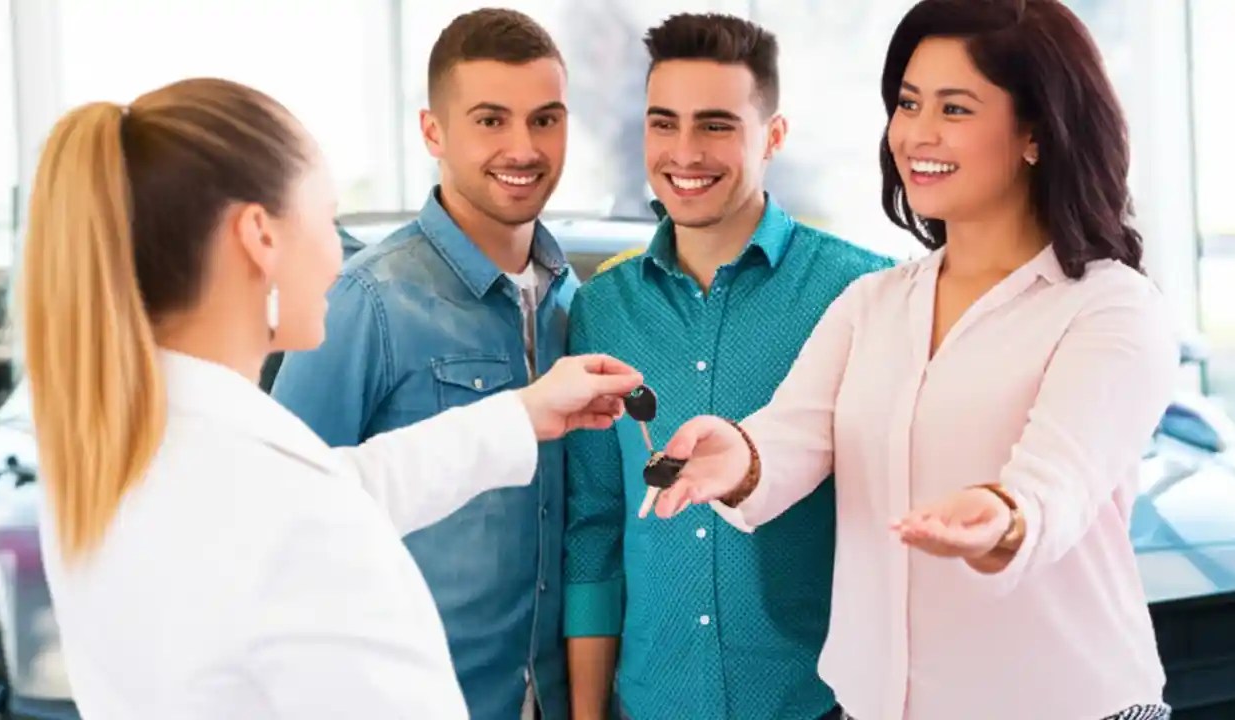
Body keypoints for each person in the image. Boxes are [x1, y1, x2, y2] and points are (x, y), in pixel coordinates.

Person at [19, 76, 642, 720]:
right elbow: (314, 515)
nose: (338, 254)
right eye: (326, 216)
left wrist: (520, 415)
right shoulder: (294, 511)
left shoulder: (122, 452)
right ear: (260, 236)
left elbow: (343, 488)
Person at [650, 2, 1178, 719]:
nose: (916, 134)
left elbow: (1059, 483)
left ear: (1034, 131)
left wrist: (1001, 516)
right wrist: (739, 457)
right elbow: (795, 435)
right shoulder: (874, 302)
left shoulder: (1110, 308)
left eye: (955, 108)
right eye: (907, 103)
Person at [563, 13, 894, 720]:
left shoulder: (862, 293)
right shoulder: (601, 312)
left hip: (818, 706)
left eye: (716, 125)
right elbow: (593, 530)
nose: (685, 152)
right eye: (663, 123)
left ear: (772, 136)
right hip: (650, 704)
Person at [269, 8, 573, 720]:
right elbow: (279, 522)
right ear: (432, 131)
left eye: (545, 119)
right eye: (490, 120)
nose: (523, 147)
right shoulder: (367, 301)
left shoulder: (574, 305)